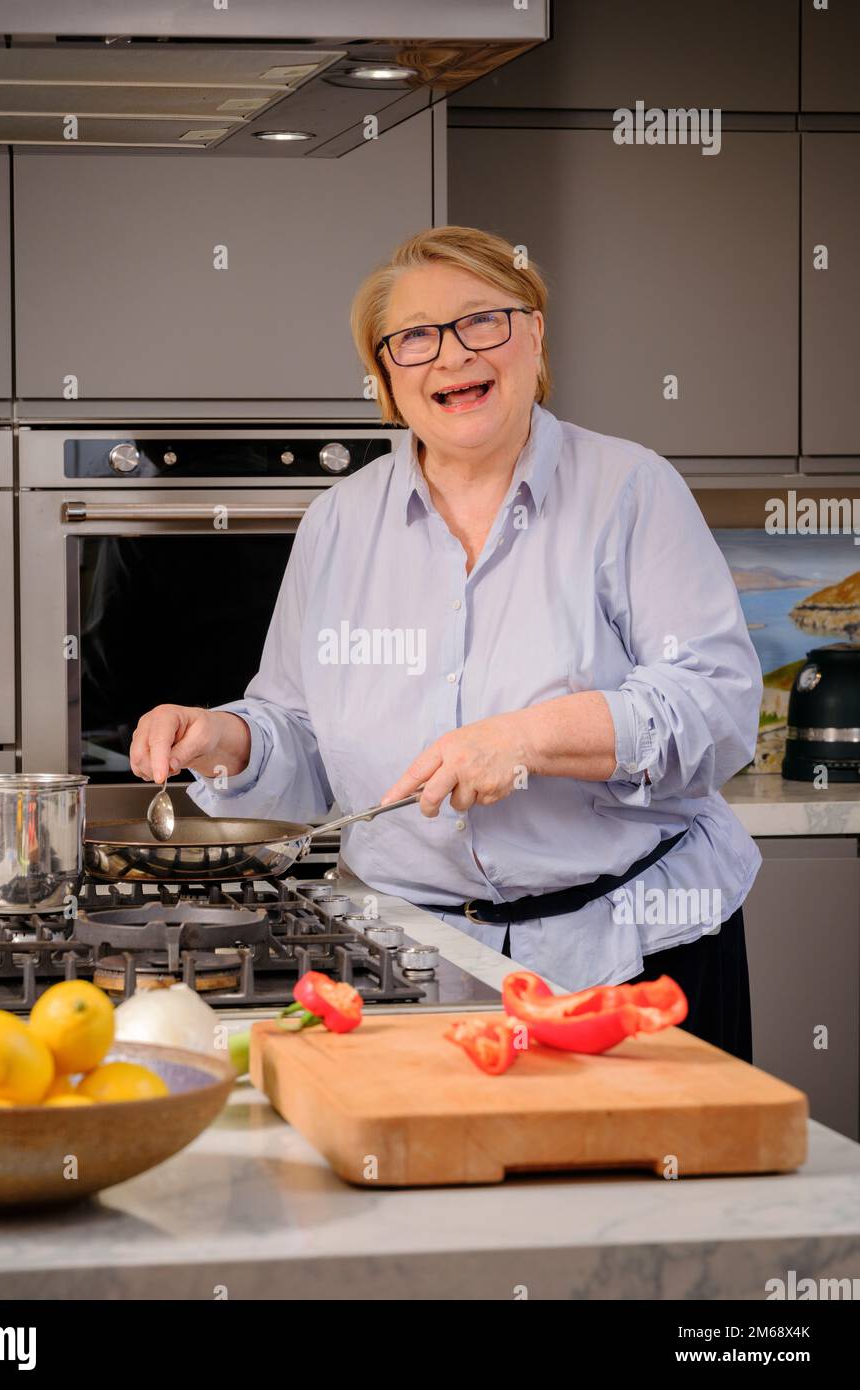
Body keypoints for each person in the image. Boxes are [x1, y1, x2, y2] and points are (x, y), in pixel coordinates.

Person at [130, 225, 761, 1061]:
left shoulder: (631, 490)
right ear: (386, 375)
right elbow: (307, 739)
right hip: (416, 967)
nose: (451, 356)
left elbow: (714, 710)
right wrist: (226, 740)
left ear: (533, 335)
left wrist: (523, 739)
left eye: (482, 322)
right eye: (414, 338)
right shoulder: (339, 523)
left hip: (635, 954)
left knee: (653, 1187)